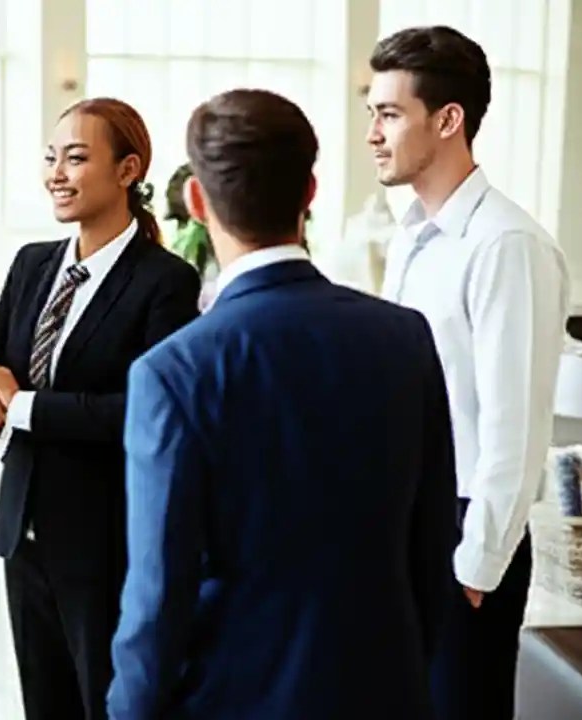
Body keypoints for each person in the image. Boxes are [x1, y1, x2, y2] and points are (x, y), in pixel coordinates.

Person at [107, 89, 459, 719]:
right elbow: (432, 549)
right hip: (386, 691)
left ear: (196, 201)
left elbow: (158, 597)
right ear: (311, 192)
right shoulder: (404, 338)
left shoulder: (175, 371)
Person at [0, 97, 200, 720]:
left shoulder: (165, 282)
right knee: (43, 707)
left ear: (128, 171)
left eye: (76, 158)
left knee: (108, 704)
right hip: (23, 535)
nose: (57, 174)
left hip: (104, 543)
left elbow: (143, 415)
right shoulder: (32, 263)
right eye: (51, 158)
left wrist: (23, 405)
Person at [369, 26, 570, 719]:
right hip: (409, 519)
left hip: (466, 534)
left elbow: (514, 424)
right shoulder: (411, 240)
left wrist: (477, 565)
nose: (373, 132)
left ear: (449, 120)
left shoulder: (507, 244)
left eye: (389, 113)